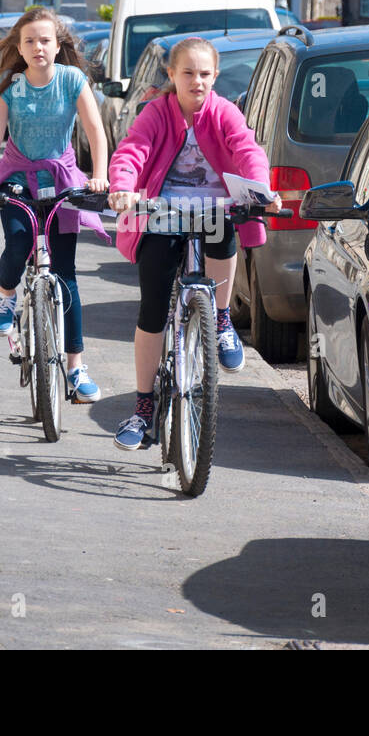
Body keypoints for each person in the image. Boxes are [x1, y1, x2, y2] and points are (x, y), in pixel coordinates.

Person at [106, 36, 279, 450]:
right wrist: (123, 188)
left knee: (223, 227)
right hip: (161, 210)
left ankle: (219, 318)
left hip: (214, 208)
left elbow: (248, 149)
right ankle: (144, 407)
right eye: (188, 73)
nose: (196, 81)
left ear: (215, 76)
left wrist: (260, 189)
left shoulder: (225, 113)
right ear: (172, 75)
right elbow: (132, 151)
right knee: (152, 312)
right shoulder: (156, 112)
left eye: (204, 74)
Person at [0, 8, 109, 403]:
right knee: (19, 242)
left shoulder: (73, 80)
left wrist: (100, 174)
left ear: (58, 47)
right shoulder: (12, 86)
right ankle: (6, 296)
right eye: (29, 41)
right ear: (20, 49)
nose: (38, 47)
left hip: (62, 178)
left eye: (45, 40)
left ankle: (76, 369)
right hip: (17, 177)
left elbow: (95, 129)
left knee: (66, 274)